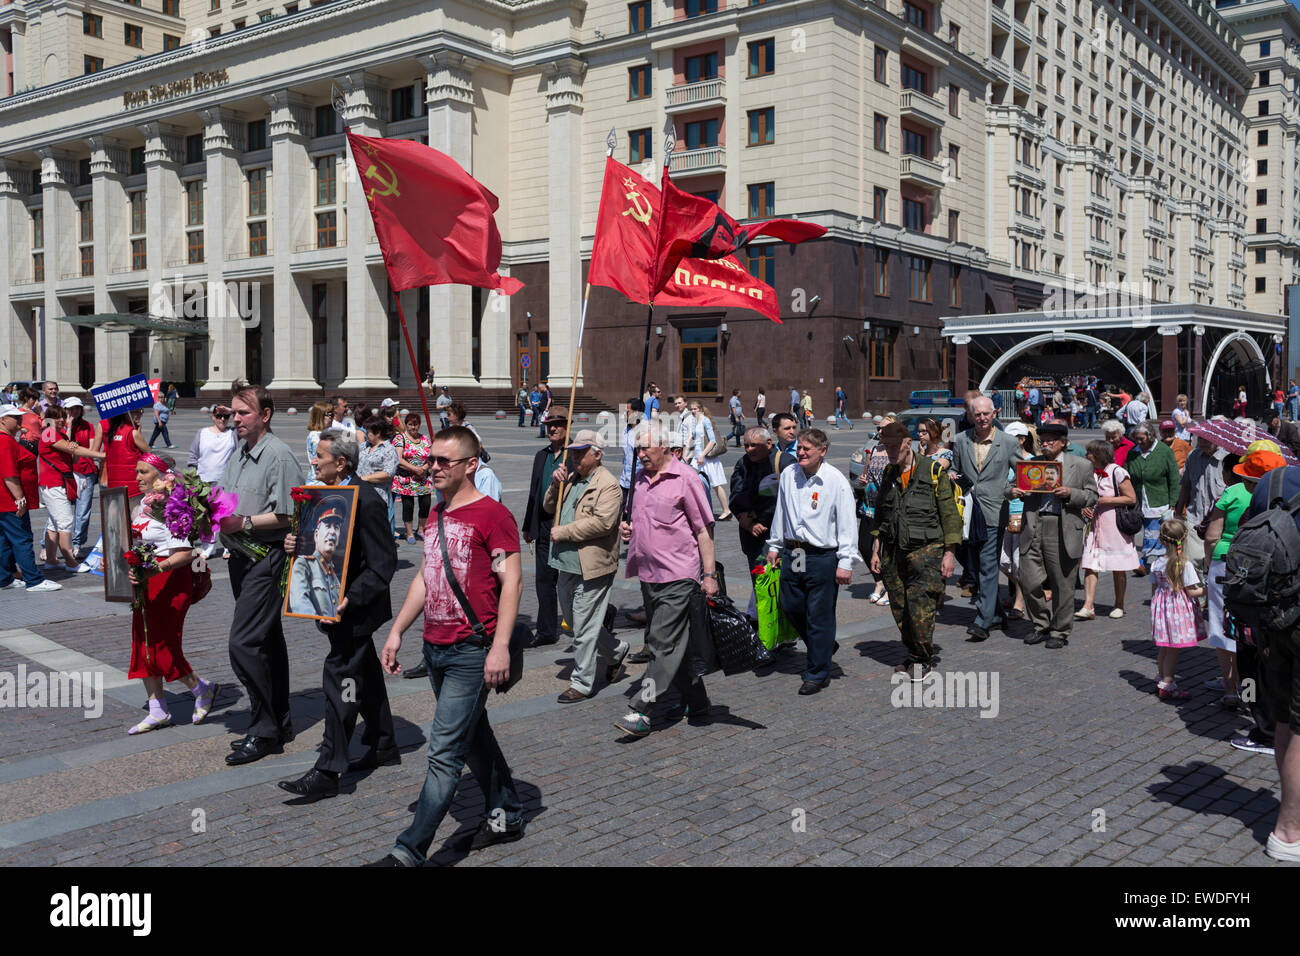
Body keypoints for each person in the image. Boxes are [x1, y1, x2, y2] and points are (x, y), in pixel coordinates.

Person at [370, 426, 525, 865]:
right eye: (431, 459)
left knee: (443, 753)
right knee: (473, 736)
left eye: (443, 461)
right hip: (435, 646)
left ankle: (408, 851)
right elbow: (427, 574)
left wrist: (500, 647)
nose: (431, 467)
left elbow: (511, 580)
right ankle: (508, 812)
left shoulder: (493, 515)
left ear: (471, 465)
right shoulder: (436, 512)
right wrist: (399, 629)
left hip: (472, 650)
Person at [278, 429, 399, 800]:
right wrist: (294, 543)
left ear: (341, 463)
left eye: (320, 457)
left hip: (354, 610)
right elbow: (315, 542)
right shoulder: (326, 496)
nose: (313, 461)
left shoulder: (367, 501)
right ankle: (382, 743)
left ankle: (329, 769)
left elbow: (383, 564)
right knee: (364, 674)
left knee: (340, 680)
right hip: (331, 603)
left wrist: (351, 600)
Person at [218, 380, 304, 766]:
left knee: (244, 644)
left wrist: (245, 523)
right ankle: (279, 722)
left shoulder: (279, 456)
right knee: (267, 641)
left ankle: (264, 728)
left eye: (243, 412)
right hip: (240, 559)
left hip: (266, 559)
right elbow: (225, 500)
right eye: (232, 412)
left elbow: (289, 513)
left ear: (264, 415)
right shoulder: (240, 451)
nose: (234, 419)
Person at [617, 419, 718, 736]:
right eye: (637, 448)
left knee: (660, 644)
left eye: (645, 447)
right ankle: (698, 703)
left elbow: (704, 530)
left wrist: (710, 574)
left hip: (679, 576)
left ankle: (642, 710)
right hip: (649, 576)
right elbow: (638, 520)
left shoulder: (686, 478)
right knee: (677, 648)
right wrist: (626, 530)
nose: (640, 453)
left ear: (663, 446)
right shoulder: (639, 479)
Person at [123, 452, 220, 734]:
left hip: (171, 581)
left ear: (162, 476)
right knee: (143, 643)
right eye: (137, 471)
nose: (138, 477)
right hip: (145, 582)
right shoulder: (141, 504)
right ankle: (158, 709)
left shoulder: (174, 507)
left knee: (163, 645)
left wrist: (155, 568)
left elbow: (186, 553)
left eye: (144, 472)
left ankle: (202, 689)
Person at [767, 428, 859, 694]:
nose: (801, 453)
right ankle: (824, 644)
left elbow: (847, 524)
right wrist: (774, 545)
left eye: (807, 449)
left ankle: (817, 672)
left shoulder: (835, 481)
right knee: (790, 604)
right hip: (794, 552)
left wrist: (845, 561)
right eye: (799, 448)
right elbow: (781, 511)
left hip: (822, 556)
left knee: (819, 614)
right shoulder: (789, 474)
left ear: (823, 451)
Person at [869, 421, 961, 680]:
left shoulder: (932, 471)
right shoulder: (890, 473)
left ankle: (922, 660)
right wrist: (876, 549)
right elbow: (881, 516)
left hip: (927, 551)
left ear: (908, 443)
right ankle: (912, 653)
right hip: (894, 551)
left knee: (921, 608)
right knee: (900, 607)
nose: (889, 452)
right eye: (885, 447)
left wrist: (949, 554)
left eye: (894, 447)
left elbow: (950, 515)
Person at [544, 430, 628, 702]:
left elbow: (603, 523)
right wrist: (555, 484)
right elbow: (548, 507)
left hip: (593, 565)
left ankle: (581, 683)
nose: (575, 457)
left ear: (597, 454)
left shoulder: (608, 484)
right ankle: (616, 651)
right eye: (573, 452)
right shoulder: (569, 477)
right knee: (576, 624)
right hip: (566, 563)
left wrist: (565, 532)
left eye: (581, 452)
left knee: (582, 625)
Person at [1006, 421, 1097, 648]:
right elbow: (1007, 488)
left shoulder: (1081, 465)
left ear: (1063, 443)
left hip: (1062, 526)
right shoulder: (1031, 464)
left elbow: (1092, 495)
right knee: (1028, 580)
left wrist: (1070, 493)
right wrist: (1013, 491)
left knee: (1063, 583)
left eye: (1050, 441)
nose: (1045, 444)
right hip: (1034, 524)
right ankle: (1040, 624)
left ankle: (1059, 630)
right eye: (1042, 440)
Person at [951, 396, 1021, 640]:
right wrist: (952, 476)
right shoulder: (960, 440)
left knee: (988, 565)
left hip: (993, 510)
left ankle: (982, 621)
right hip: (968, 512)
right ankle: (998, 614)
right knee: (977, 565)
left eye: (985, 414)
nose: (981, 418)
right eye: (977, 414)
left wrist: (1009, 489)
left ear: (994, 414)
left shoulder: (1008, 442)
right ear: (971, 415)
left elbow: (1023, 472)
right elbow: (957, 470)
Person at [1201, 453, 1252, 710]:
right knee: (1251, 631)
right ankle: (1251, 692)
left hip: (1225, 560)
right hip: (1257, 563)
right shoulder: (1268, 489)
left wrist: (1210, 565)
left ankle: (1231, 689)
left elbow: (1211, 536)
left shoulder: (1230, 493)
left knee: (1222, 625)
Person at [1076, 439, 1139, 621]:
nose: (1086, 456)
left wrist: (1104, 500)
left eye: (1089, 453)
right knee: (1090, 564)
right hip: (1094, 527)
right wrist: (1085, 507)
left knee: (1118, 566)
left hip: (1114, 526)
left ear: (1098, 454)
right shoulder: (1089, 473)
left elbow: (1130, 498)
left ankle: (1119, 604)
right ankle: (1088, 606)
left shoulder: (1117, 472)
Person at [0, 404, 61, 592]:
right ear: (2, 420)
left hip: (4, 500)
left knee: (4, 539)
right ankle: (33, 580)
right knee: (22, 538)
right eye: (14, 417)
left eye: (20, 417)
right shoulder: (4, 441)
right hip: (10, 500)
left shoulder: (7, 439)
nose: (19, 420)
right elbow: (9, 473)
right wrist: (20, 498)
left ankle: (4, 578)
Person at [38, 406, 105, 571]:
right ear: (49, 419)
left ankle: (52, 560)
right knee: (66, 522)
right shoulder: (49, 433)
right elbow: (72, 449)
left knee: (54, 523)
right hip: (53, 483)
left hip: (57, 482)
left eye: (62, 416)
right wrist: (100, 455)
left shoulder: (58, 434)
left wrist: (73, 447)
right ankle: (71, 562)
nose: (60, 420)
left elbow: (73, 459)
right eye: (56, 417)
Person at [522, 413, 568, 648]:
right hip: (543, 524)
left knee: (571, 583)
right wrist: (528, 525)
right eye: (550, 425)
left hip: (569, 526)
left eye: (558, 425)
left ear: (566, 427)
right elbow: (534, 491)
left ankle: (603, 616)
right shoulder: (541, 456)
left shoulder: (574, 454)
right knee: (544, 581)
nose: (553, 429)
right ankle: (547, 630)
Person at [1147, 518, 1206, 700]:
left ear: (1162, 540)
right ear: (1185, 538)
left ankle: (1160, 675)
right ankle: (1168, 682)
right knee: (1173, 648)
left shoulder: (1156, 563)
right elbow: (1192, 592)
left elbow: (1154, 588)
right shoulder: (1184, 565)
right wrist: (1208, 590)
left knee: (1164, 646)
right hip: (1178, 611)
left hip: (1162, 608)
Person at [1125, 422, 1181, 575]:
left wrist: (1173, 503)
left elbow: (1174, 478)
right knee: (1142, 532)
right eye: (1136, 439)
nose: (1139, 442)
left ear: (1151, 436)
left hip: (1158, 501)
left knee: (1153, 533)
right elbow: (1126, 475)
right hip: (1137, 501)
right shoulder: (1133, 453)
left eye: (1142, 439)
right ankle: (1151, 561)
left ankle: (1147, 563)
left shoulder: (1163, 451)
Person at [1177, 426, 1227, 575]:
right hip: (1195, 518)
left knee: (1216, 567)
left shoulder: (1227, 458)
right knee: (1192, 564)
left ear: (1217, 439)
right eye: (1201, 439)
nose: (1202, 443)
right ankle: (1198, 597)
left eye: (1207, 439)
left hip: (1219, 523)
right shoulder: (1193, 456)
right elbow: (1185, 486)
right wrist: (1178, 513)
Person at [286, 496, 347, 618]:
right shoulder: (304, 564)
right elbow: (299, 603)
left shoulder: (334, 572)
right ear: (316, 534)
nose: (332, 532)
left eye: (336, 527)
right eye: (328, 525)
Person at [853, 425, 892, 606]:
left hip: (888, 507)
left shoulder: (897, 450)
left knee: (885, 549)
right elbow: (864, 475)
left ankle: (890, 587)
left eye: (885, 427)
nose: (881, 430)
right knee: (864, 545)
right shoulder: (873, 449)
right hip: (870, 505)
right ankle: (879, 581)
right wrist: (862, 481)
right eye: (879, 427)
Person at [731, 426, 778, 572]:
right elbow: (735, 496)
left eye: (754, 445)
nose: (749, 449)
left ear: (768, 443)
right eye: (746, 445)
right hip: (752, 536)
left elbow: (777, 501)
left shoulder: (781, 461)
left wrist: (759, 519)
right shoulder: (743, 463)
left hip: (775, 536)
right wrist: (744, 519)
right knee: (760, 584)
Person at [65, 397, 99, 558]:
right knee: (60, 510)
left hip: (86, 470)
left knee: (83, 510)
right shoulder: (58, 424)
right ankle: (46, 545)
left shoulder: (88, 426)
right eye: (71, 408)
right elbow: (63, 445)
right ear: (65, 410)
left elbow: (92, 448)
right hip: (66, 471)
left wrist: (78, 449)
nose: (75, 411)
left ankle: (77, 543)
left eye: (77, 408)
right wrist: (69, 426)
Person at [688, 399, 732, 520]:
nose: (693, 411)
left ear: (701, 409)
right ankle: (702, 510)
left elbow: (712, 440)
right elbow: (694, 439)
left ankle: (726, 510)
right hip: (697, 458)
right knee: (698, 484)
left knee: (716, 485)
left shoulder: (705, 421)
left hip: (707, 459)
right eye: (691, 409)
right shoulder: (696, 421)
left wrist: (702, 455)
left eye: (695, 409)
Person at [392, 412, 432, 543]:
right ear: (406, 425)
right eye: (410, 424)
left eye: (415, 424)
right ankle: (409, 533)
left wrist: (424, 469)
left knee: (425, 504)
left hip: (423, 478)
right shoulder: (400, 438)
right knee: (408, 505)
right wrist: (415, 469)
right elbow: (398, 459)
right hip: (407, 479)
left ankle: (421, 529)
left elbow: (431, 456)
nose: (413, 427)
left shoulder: (425, 438)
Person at [357, 416, 399, 535]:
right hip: (359, 494)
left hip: (377, 495)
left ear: (378, 433)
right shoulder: (364, 446)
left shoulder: (388, 449)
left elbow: (388, 473)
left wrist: (366, 478)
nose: (366, 434)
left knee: (375, 531)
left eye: (369, 431)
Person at [101, 407, 151, 501]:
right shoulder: (132, 432)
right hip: (132, 484)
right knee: (133, 512)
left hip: (114, 482)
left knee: (116, 511)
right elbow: (150, 454)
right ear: (126, 413)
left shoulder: (112, 432)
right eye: (136, 411)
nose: (139, 414)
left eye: (140, 411)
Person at [304, 400, 334, 483]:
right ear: (320, 416)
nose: (333, 417)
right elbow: (318, 460)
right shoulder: (316, 436)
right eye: (330, 415)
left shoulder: (323, 433)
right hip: (319, 481)